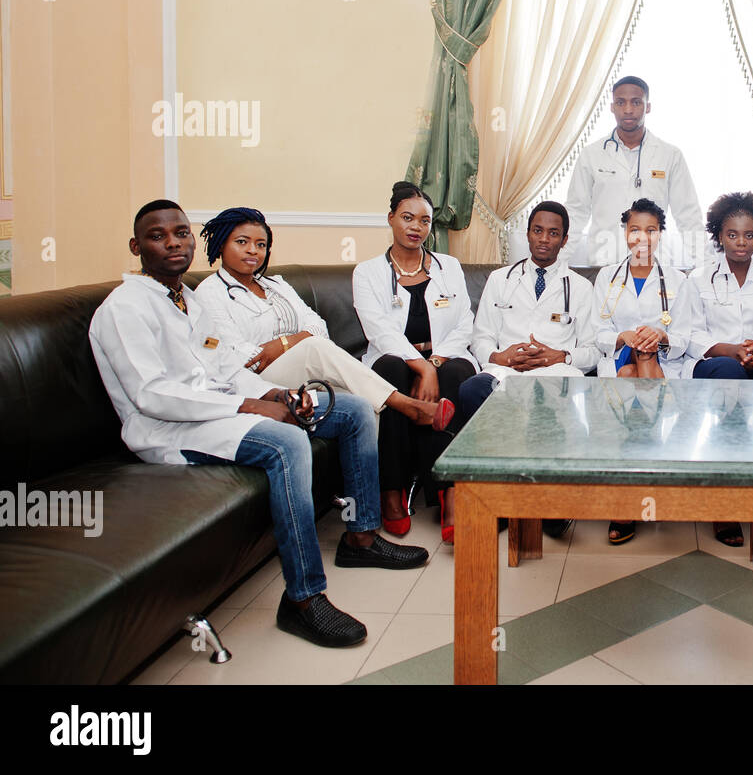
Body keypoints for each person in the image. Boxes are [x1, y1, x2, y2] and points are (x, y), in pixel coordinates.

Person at [89, 200, 428, 649]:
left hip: (222, 409)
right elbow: (152, 395)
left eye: (181, 233)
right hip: (169, 428)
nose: (173, 243)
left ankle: (361, 536)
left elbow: (226, 367)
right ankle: (303, 599)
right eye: (158, 236)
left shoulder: (188, 299)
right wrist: (248, 406)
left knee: (354, 412)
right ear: (137, 247)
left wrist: (275, 395)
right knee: (288, 442)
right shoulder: (125, 307)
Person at [193, 206, 454, 433]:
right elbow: (241, 357)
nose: (253, 250)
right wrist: (299, 343)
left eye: (261, 245)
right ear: (221, 244)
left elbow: (319, 327)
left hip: (302, 374)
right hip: (259, 382)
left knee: (363, 404)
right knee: (313, 348)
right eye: (242, 242)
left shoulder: (277, 285)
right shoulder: (209, 293)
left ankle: (372, 478)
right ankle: (408, 405)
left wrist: (284, 343)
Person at [458, 201, 599, 540]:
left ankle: (548, 505)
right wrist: (501, 357)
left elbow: (593, 351)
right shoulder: (500, 280)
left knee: (556, 401)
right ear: (527, 234)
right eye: (538, 231)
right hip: (506, 372)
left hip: (557, 374)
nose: (544, 239)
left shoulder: (580, 288)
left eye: (553, 233)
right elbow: (480, 338)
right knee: (470, 391)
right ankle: (498, 500)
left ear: (564, 240)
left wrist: (560, 356)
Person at [352, 181, 478, 543]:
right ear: (391, 218)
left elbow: (464, 322)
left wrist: (434, 362)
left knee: (457, 373)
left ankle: (448, 491)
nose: (416, 227)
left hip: (444, 354)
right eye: (407, 217)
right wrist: (419, 365)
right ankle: (391, 491)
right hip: (394, 355)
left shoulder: (448, 266)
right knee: (390, 370)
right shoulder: (368, 272)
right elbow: (377, 329)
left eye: (424, 221)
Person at [681, 191, 753, 547]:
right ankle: (725, 503)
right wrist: (732, 350)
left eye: (749, 235)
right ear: (719, 235)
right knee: (728, 372)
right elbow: (690, 334)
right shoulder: (698, 280)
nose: (741, 242)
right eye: (732, 234)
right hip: (715, 365)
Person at [592, 197, 691, 544]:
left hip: (659, 364)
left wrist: (661, 335)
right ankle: (655, 476)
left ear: (660, 234)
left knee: (635, 370)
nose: (643, 238)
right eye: (635, 229)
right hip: (621, 356)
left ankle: (626, 505)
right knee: (634, 359)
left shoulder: (678, 280)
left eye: (651, 230)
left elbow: (684, 336)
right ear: (625, 233)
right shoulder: (606, 277)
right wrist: (623, 336)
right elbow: (597, 332)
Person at [563, 75, 704, 266]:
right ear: (612, 107)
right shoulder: (591, 154)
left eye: (636, 102)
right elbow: (575, 213)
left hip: (654, 263)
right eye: (620, 102)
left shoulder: (670, 155)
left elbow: (688, 215)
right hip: (605, 261)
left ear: (648, 107)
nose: (628, 109)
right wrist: (558, 261)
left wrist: (706, 266)